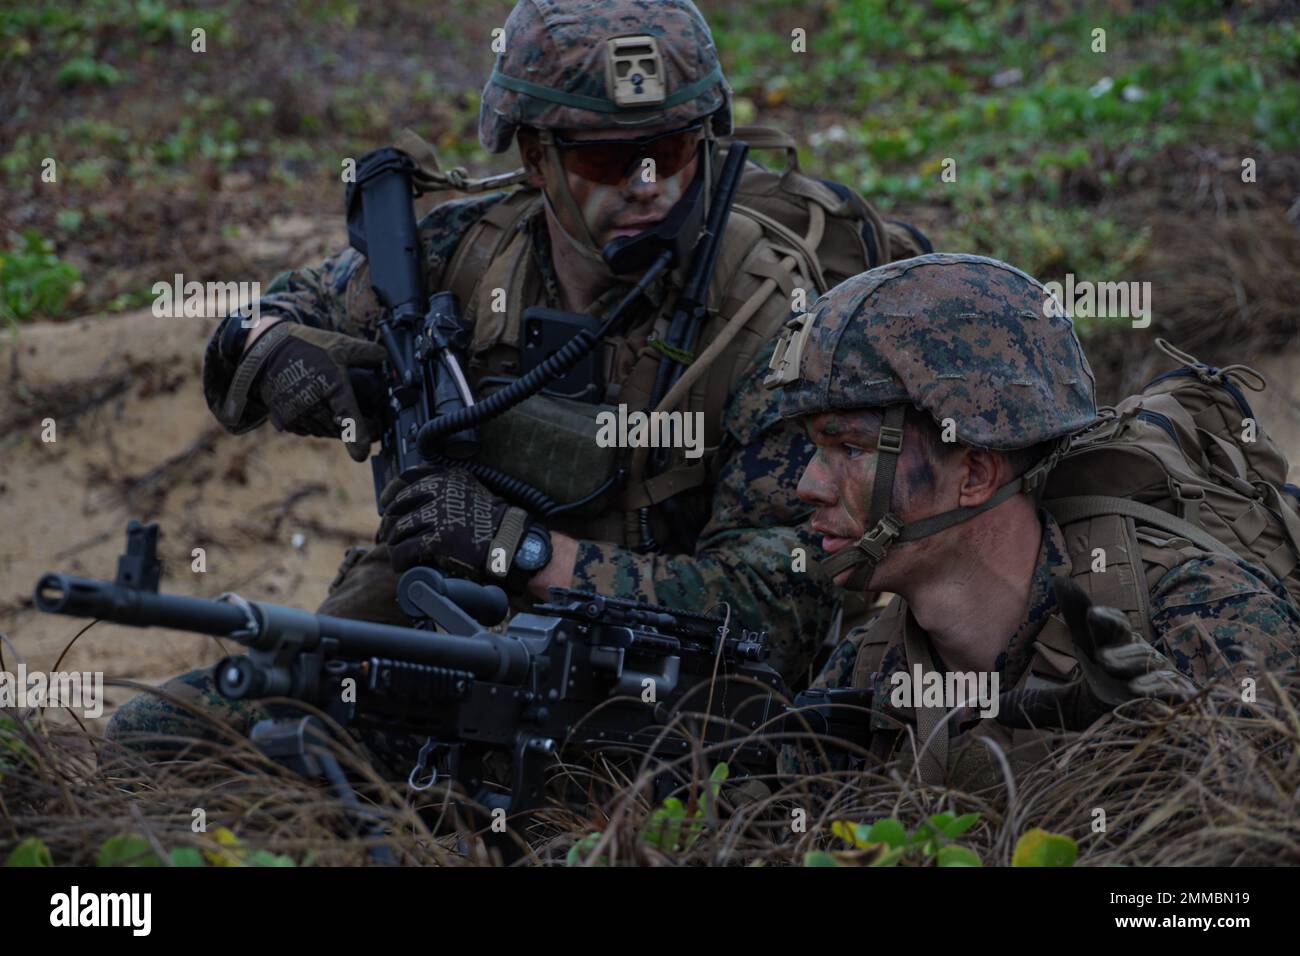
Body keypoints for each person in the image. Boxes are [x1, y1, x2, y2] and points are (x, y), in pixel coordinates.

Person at [107, 0, 930, 751]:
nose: (651, 187)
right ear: (536, 159)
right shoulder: (462, 253)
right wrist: (277, 353)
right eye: (611, 161)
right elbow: (261, 320)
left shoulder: (766, 314)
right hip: (446, 634)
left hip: (664, 697)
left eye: (673, 151)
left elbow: (781, 605)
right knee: (159, 737)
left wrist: (525, 549)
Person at [770, 252, 1300, 786]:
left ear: (974, 473)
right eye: (818, 449)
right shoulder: (861, 673)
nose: (809, 486)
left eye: (850, 448)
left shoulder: (1200, 615)